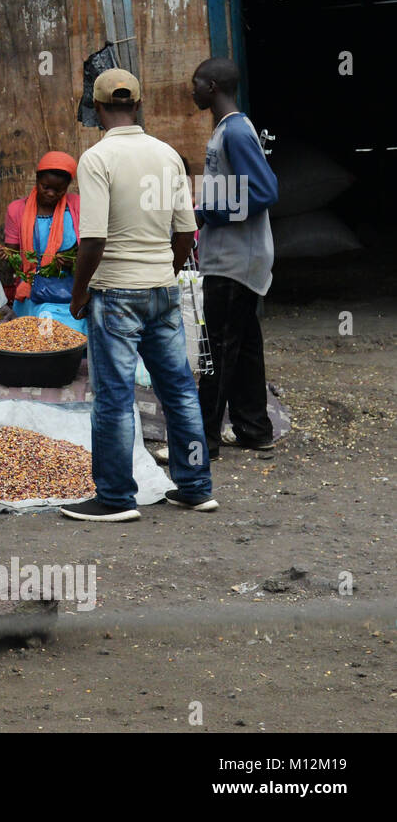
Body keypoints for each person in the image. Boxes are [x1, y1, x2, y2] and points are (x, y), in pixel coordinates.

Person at [61, 69, 216, 522]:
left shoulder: (96, 159)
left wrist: (78, 293)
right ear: (139, 103)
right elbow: (187, 233)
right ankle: (194, 487)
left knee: (112, 395)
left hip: (115, 292)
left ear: (96, 107)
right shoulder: (167, 155)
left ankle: (114, 497)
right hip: (161, 289)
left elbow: (93, 240)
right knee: (180, 391)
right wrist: (163, 272)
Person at [191, 57, 278, 456]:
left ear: (211, 86)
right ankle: (254, 428)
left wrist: (209, 212)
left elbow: (263, 193)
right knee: (242, 348)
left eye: (195, 84)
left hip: (234, 263)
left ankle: (203, 441)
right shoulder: (227, 130)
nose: (191, 91)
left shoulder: (237, 132)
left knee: (217, 352)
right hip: (234, 259)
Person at [0, 151, 84, 333]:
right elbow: (15, 254)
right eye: (45, 186)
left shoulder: (77, 206)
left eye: (58, 189)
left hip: (71, 292)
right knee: (41, 339)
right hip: (33, 292)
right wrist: (9, 255)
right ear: (36, 179)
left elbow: (90, 247)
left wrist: (73, 261)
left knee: (69, 338)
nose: (51, 193)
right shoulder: (17, 210)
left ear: (67, 186)